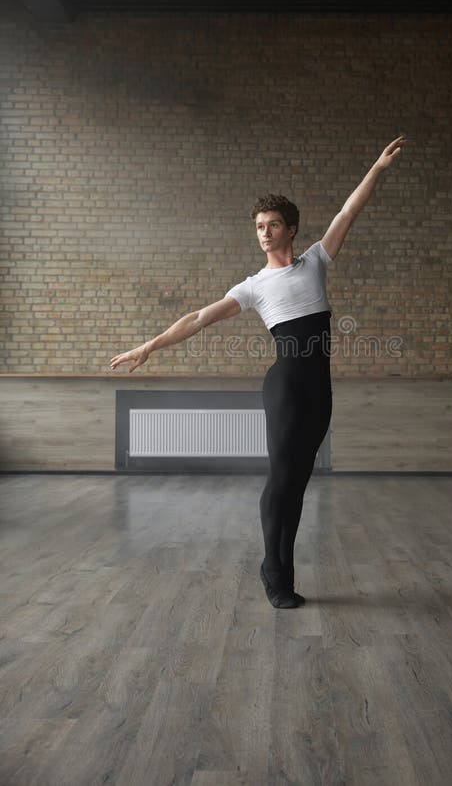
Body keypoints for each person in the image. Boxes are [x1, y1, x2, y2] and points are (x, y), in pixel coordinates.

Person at [110, 135, 406, 608]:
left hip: (319, 390)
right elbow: (197, 318)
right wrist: (150, 345)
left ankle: (284, 569)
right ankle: (274, 572)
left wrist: (376, 167)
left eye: (272, 225)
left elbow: (348, 212)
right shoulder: (254, 287)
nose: (264, 233)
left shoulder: (315, 261)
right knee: (282, 480)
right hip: (286, 387)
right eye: (258, 227)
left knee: (299, 482)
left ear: (291, 229)